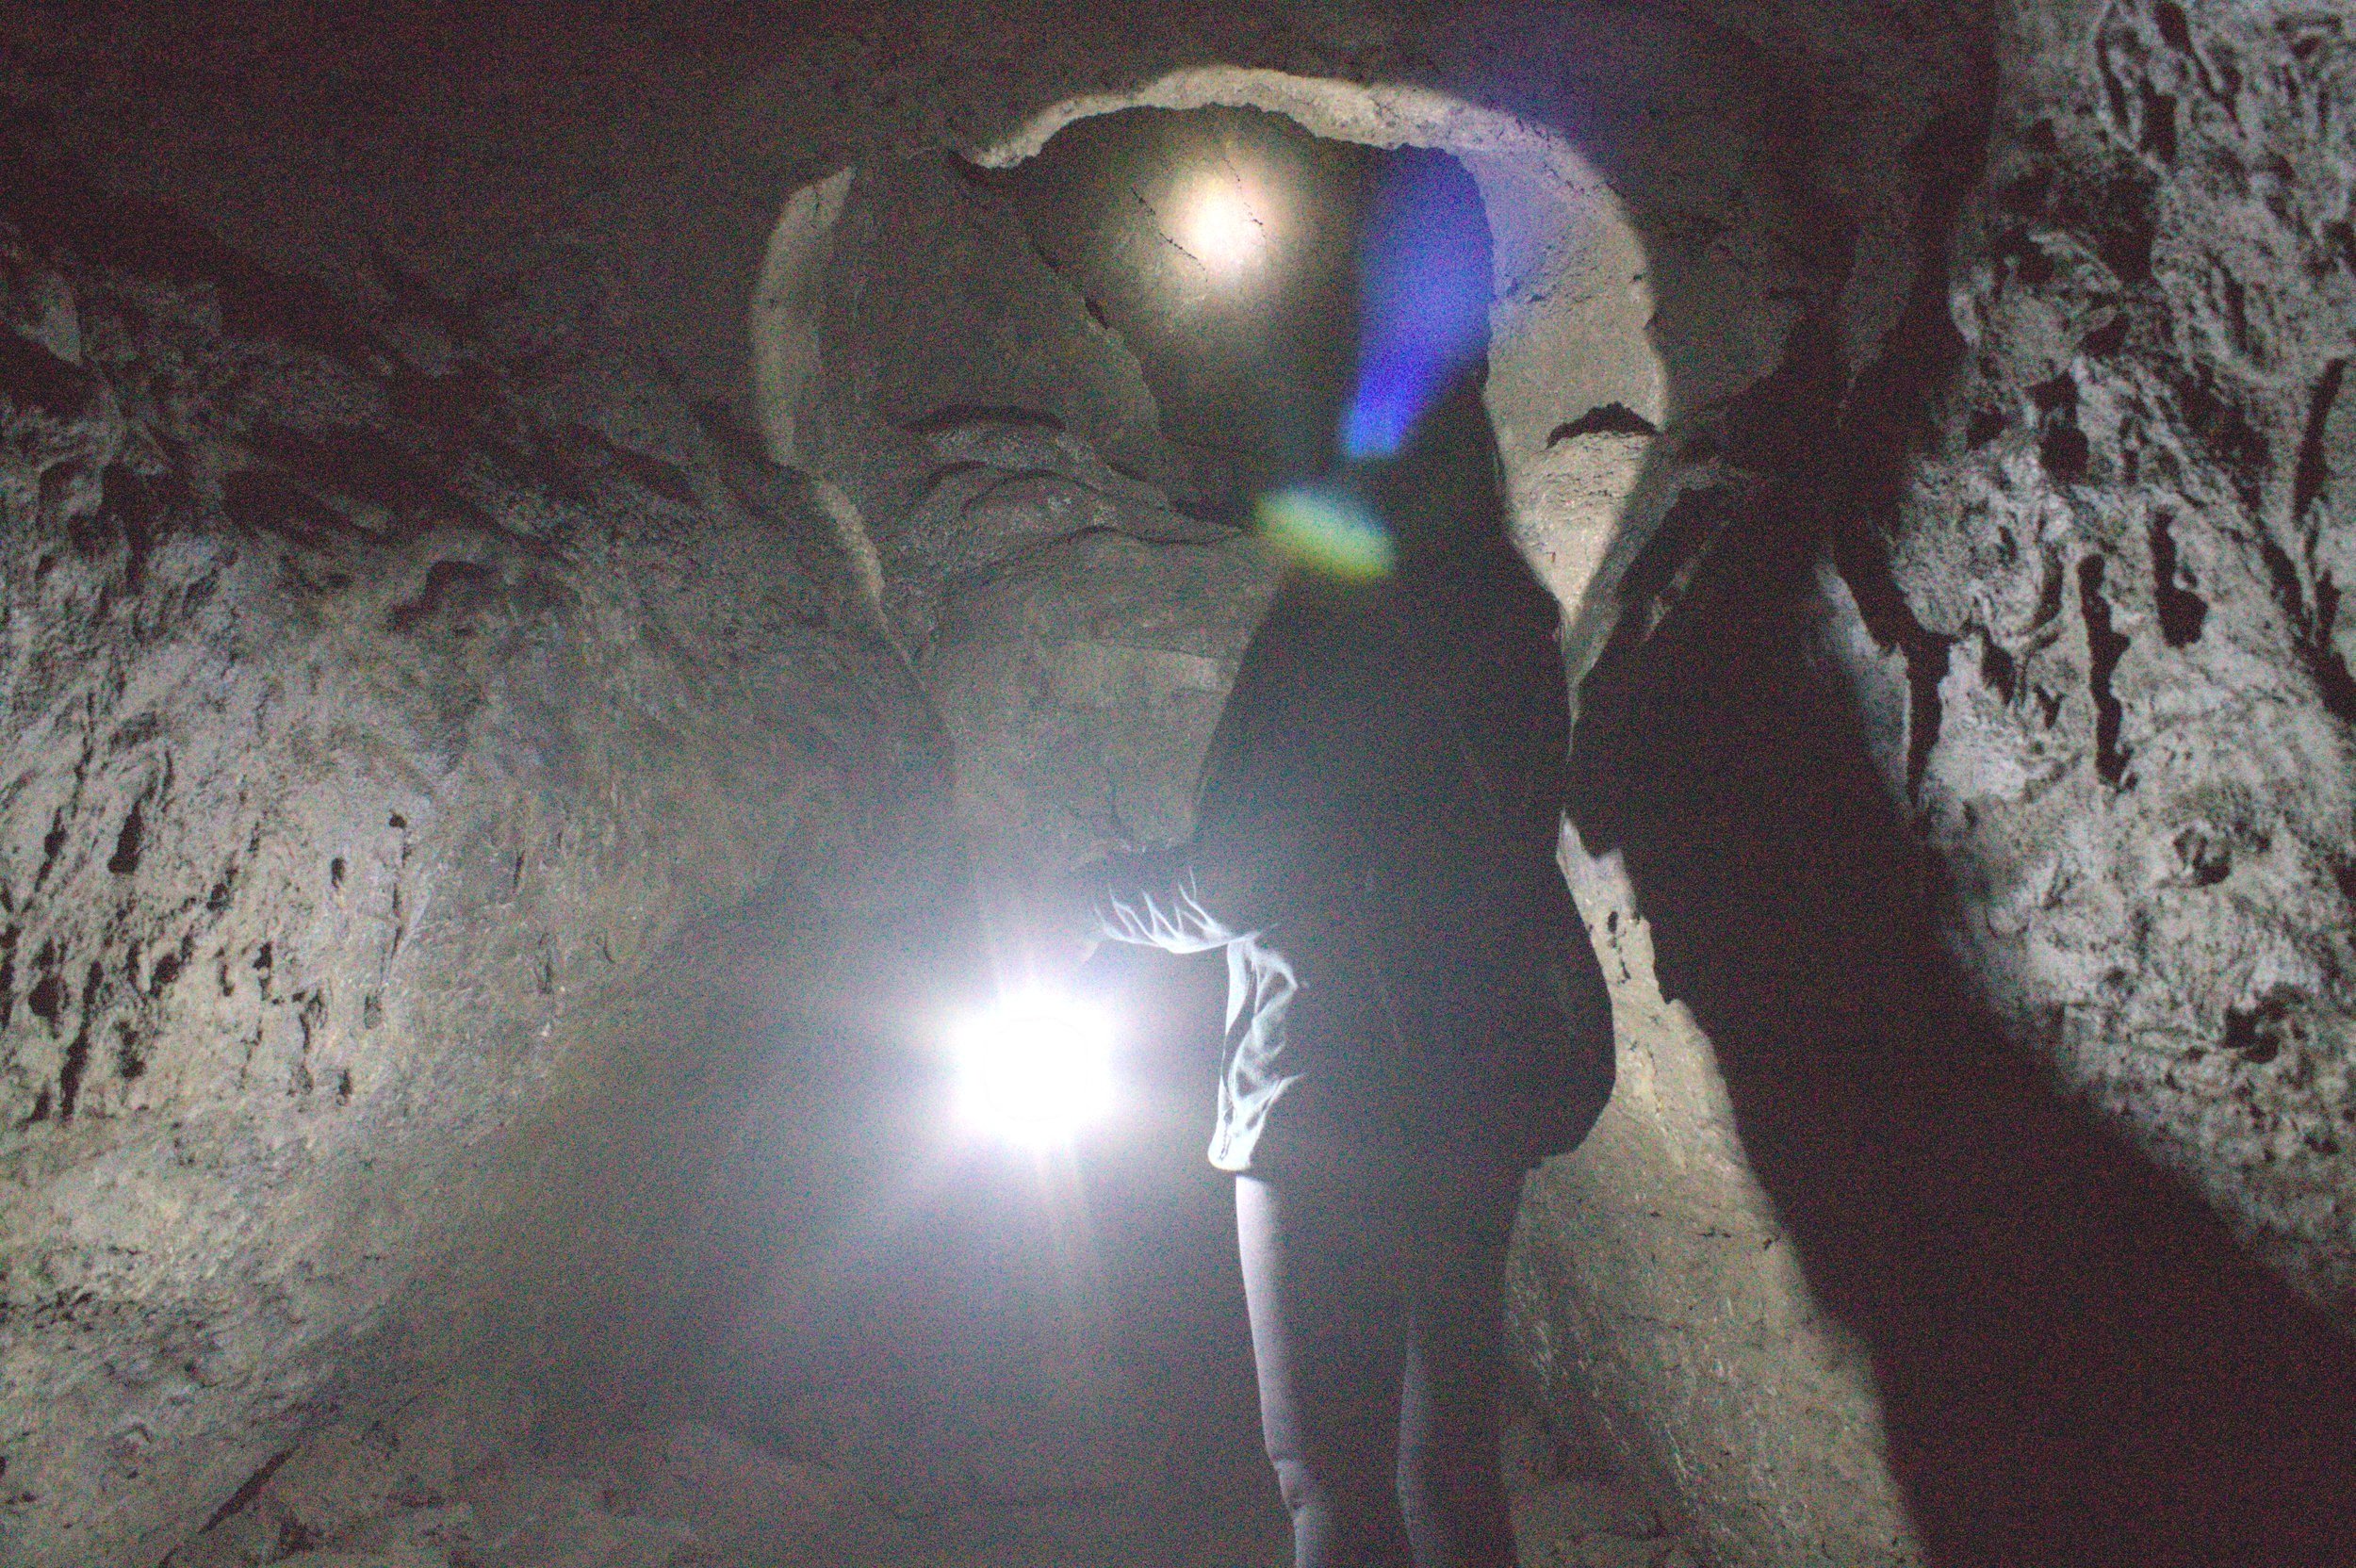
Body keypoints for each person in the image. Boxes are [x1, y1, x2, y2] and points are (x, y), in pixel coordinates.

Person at [1048, 365, 1616, 1568]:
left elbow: (1243, 877)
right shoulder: (1509, 632)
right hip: (1476, 1076)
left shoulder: (1327, 643)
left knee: (1327, 1478)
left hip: (1331, 1086)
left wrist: (1095, 902)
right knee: (1445, 1459)